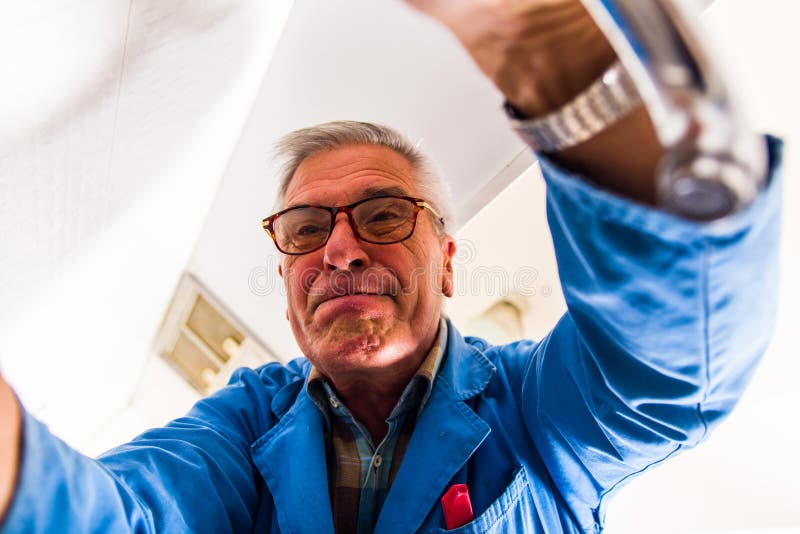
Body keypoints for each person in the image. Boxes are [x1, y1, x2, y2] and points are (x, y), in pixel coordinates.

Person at [0, 1, 782, 532]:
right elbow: (133, 514)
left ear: (445, 263)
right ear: (286, 285)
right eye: (306, 229)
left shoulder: (532, 415)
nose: (340, 249)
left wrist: (557, 67)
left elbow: (661, 379)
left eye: (382, 216)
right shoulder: (242, 426)